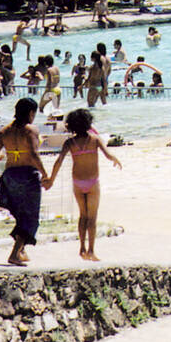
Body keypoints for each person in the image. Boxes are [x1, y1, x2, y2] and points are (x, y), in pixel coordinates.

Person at [47, 108, 122, 261]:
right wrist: (115, 160)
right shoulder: (94, 140)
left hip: (77, 182)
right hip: (93, 182)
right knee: (92, 218)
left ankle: (81, 247)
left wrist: (51, 179)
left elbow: (58, 162)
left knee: (83, 215)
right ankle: (91, 251)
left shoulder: (70, 142)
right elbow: (108, 155)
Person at [0, 98, 50, 267]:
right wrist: (45, 174)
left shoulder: (4, 131)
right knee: (30, 216)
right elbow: (33, 154)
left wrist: (8, 153)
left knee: (20, 214)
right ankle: (16, 252)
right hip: (27, 175)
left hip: (10, 175)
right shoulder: (30, 130)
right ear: (31, 113)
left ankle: (21, 250)